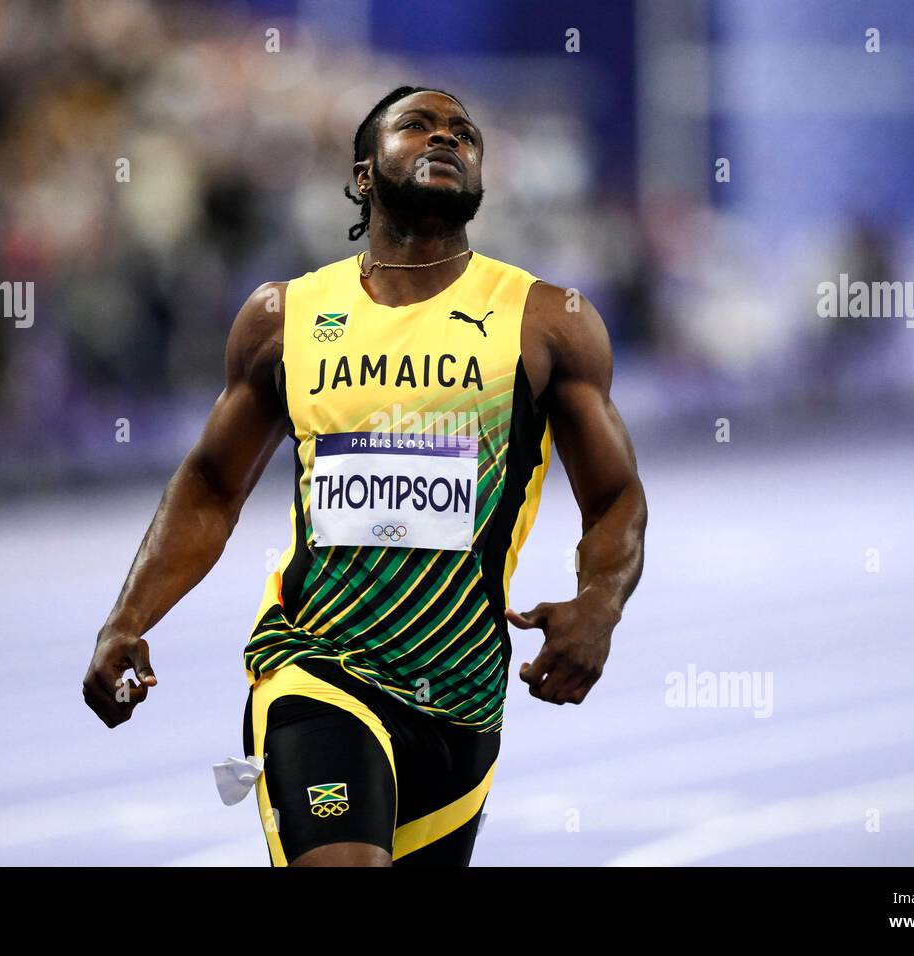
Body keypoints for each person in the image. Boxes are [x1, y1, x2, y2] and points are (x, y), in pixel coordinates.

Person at [83, 86, 648, 867]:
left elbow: (614, 496)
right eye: (416, 126)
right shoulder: (285, 317)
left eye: (464, 134)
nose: (444, 139)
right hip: (315, 667)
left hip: (462, 693)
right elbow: (211, 486)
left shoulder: (547, 321)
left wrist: (601, 603)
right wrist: (128, 619)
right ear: (362, 175)